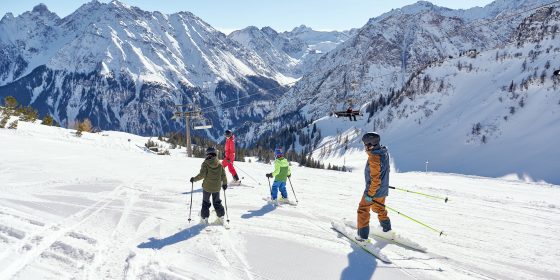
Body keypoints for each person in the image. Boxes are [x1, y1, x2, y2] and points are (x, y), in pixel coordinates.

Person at [356, 132, 391, 241]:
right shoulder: (383, 152)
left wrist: (369, 195)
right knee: (379, 208)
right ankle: (386, 230)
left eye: (366, 144)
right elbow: (385, 170)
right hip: (383, 189)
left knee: (363, 209)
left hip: (374, 190)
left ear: (371, 145)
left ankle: (362, 236)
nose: (365, 147)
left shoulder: (374, 158)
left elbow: (375, 180)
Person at [190, 147, 228, 224]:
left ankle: (204, 218)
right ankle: (221, 216)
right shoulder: (220, 164)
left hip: (207, 187)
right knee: (217, 202)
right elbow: (223, 175)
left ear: (207, 154)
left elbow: (202, 175)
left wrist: (194, 179)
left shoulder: (205, 164)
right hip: (217, 187)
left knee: (206, 203)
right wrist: (224, 184)